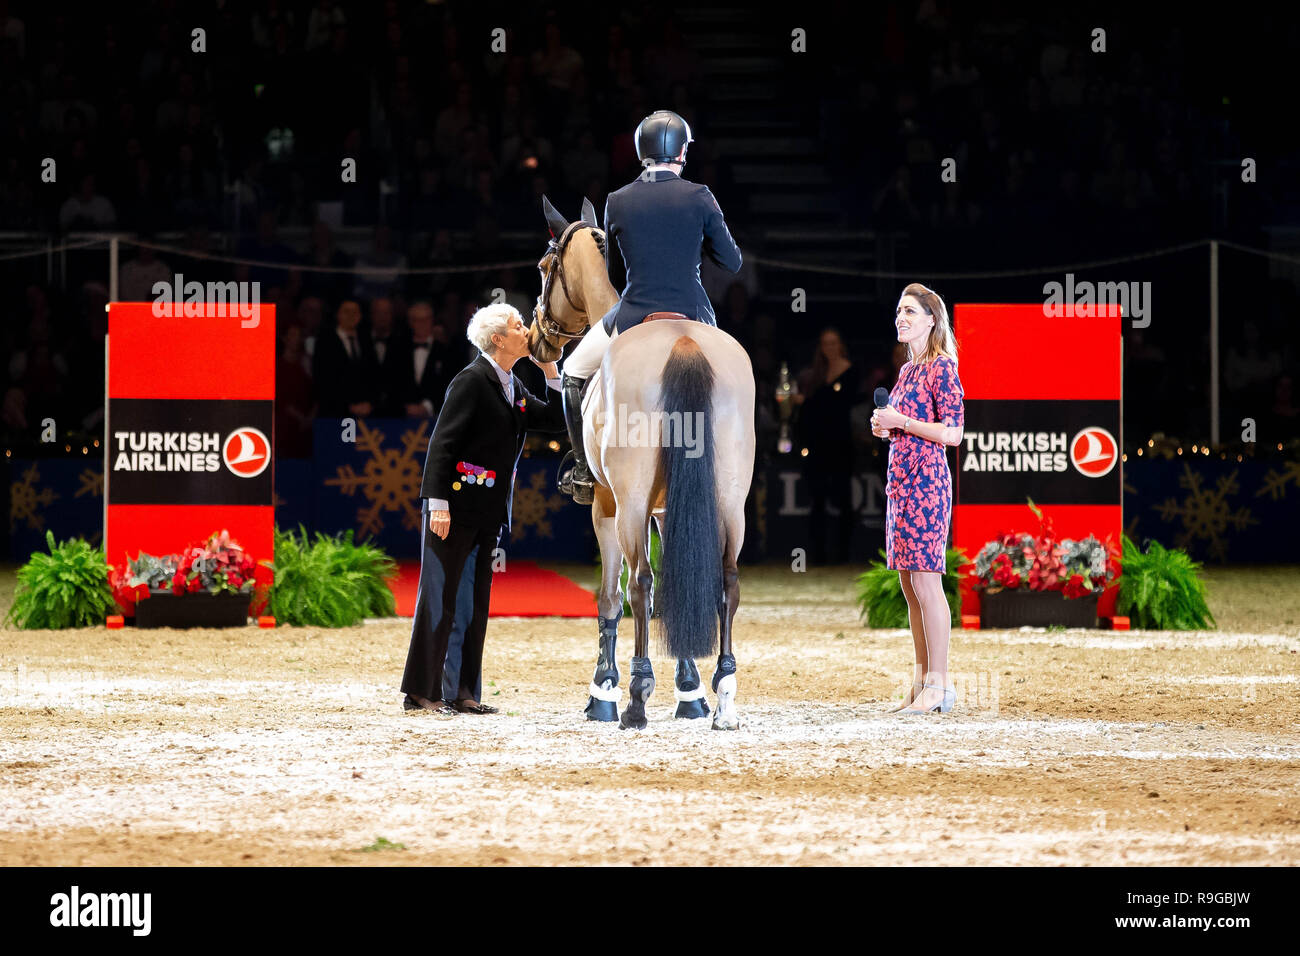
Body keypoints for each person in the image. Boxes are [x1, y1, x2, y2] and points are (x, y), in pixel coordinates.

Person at [558, 108, 743, 504]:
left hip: (632, 313)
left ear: (642, 150)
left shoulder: (617, 200)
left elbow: (614, 271)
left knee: (571, 373)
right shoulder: (700, 196)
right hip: (694, 314)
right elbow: (732, 262)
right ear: (682, 153)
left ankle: (581, 471)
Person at [400, 303, 567, 715]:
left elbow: (557, 421)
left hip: (487, 512)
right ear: (498, 339)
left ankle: (462, 692)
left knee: (473, 603)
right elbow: (442, 445)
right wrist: (437, 504)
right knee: (440, 598)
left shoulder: (512, 383)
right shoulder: (471, 380)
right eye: (518, 325)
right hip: (452, 509)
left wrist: (550, 373)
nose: (526, 329)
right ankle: (423, 691)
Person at [871, 283, 965, 716]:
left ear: (931, 319)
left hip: (927, 482)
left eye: (910, 311)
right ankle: (923, 680)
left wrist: (902, 420)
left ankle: (940, 685)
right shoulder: (908, 370)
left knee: (926, 582)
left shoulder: (941, 367)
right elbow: (910, 426)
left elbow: (952, 432)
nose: (901, 318)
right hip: (901, 484)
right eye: (898, 312)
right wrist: (888, 428)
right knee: (910, 585)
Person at [796, 327, 860, 564]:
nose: (829, 348)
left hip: (840, 443)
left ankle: (843, 553)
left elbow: (839, 404)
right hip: (817, 444)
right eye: (825, 344)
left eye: (833, 343)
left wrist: (809, 401)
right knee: (817, 499)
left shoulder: (850, 372)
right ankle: (819, 554)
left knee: (843, 499)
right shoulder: (815, 374)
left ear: (840, 345)